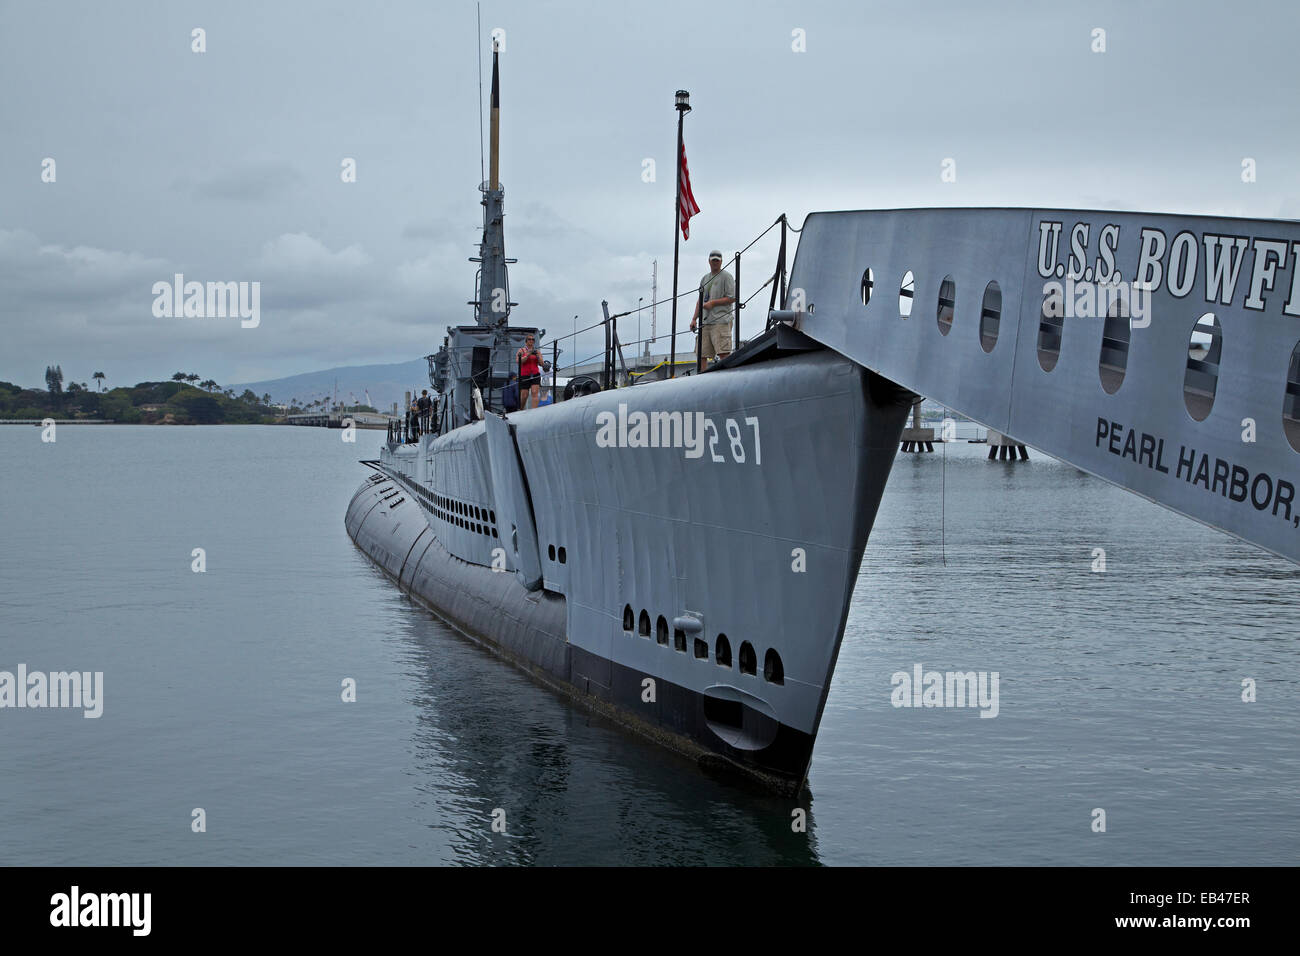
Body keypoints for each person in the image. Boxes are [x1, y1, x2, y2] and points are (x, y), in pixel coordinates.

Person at [689, 249, 735, 372]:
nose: (715, 263)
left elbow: (732, 298)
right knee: (702, 354)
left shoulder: (727, 276)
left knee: (723, 353)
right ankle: (702, 379)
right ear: (709, 261)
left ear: (721, 262)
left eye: (717, 261)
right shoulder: (705, 278)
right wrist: (694, 319)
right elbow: (700, 300)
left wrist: (713, 303)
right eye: (713, 260)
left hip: (721, 320)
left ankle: (727, 378)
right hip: (705, 322)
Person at [516, 333, 550, 410]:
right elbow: (519, 361)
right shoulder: (521, 350)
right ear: (526, 341)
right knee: (524, 395)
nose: (531, 341)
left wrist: (537, 356)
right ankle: (521, 408)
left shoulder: (537, 351)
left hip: (535, 374)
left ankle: (533, 411)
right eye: (529, 339)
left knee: (535, 392)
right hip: (524, 374)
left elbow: (542, 364)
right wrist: (528, 355)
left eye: (533, 339)